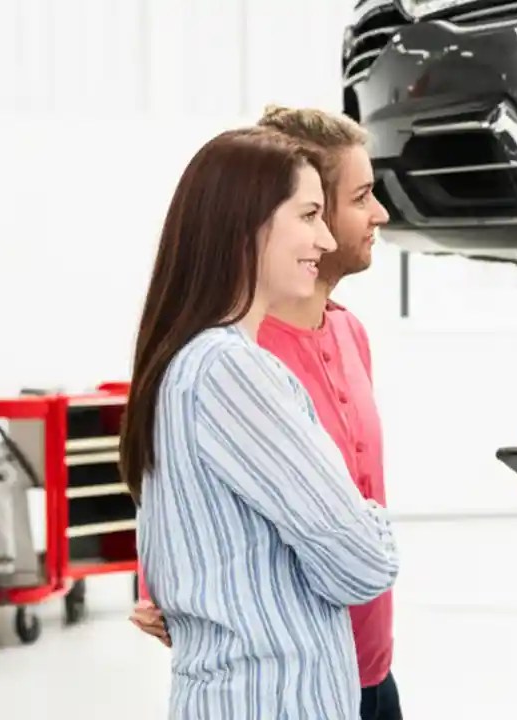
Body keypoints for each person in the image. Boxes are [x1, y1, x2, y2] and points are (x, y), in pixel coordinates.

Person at [130, 106, 403, 719]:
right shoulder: (234, 370)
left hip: (317, 677)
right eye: (310, 216)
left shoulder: (198, 359)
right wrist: (371, 527)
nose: (327, 238)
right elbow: (363, 562)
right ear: (248, 226)